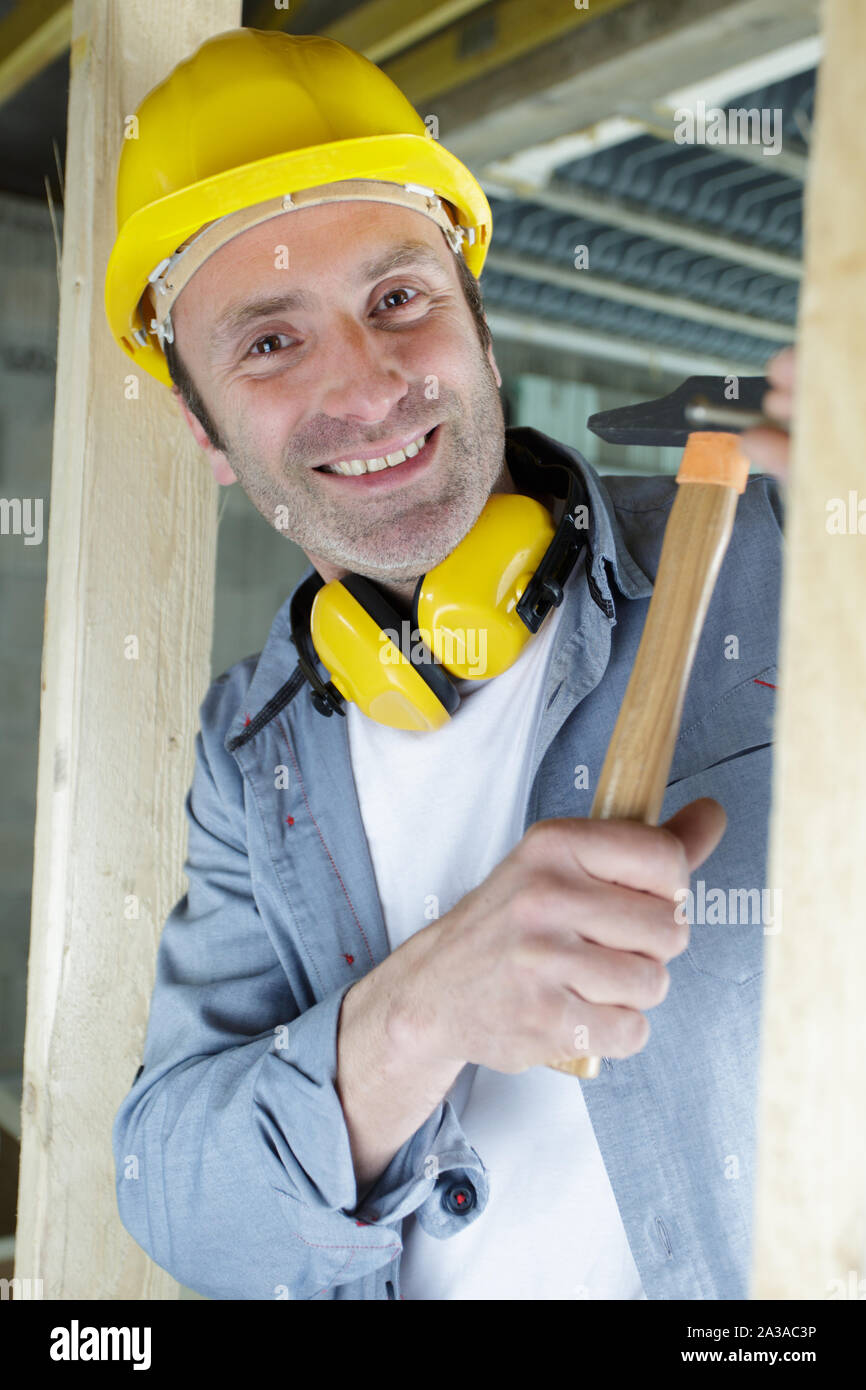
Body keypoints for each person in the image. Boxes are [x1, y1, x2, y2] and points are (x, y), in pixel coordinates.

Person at [106, 28, 794, 1301]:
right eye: (268, 342)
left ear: (477, 329)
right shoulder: (250, 754)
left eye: (396, 300)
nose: (367, 389)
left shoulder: (777, 556)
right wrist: (416, 1016)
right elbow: (176, 1191)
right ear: (206, 432)